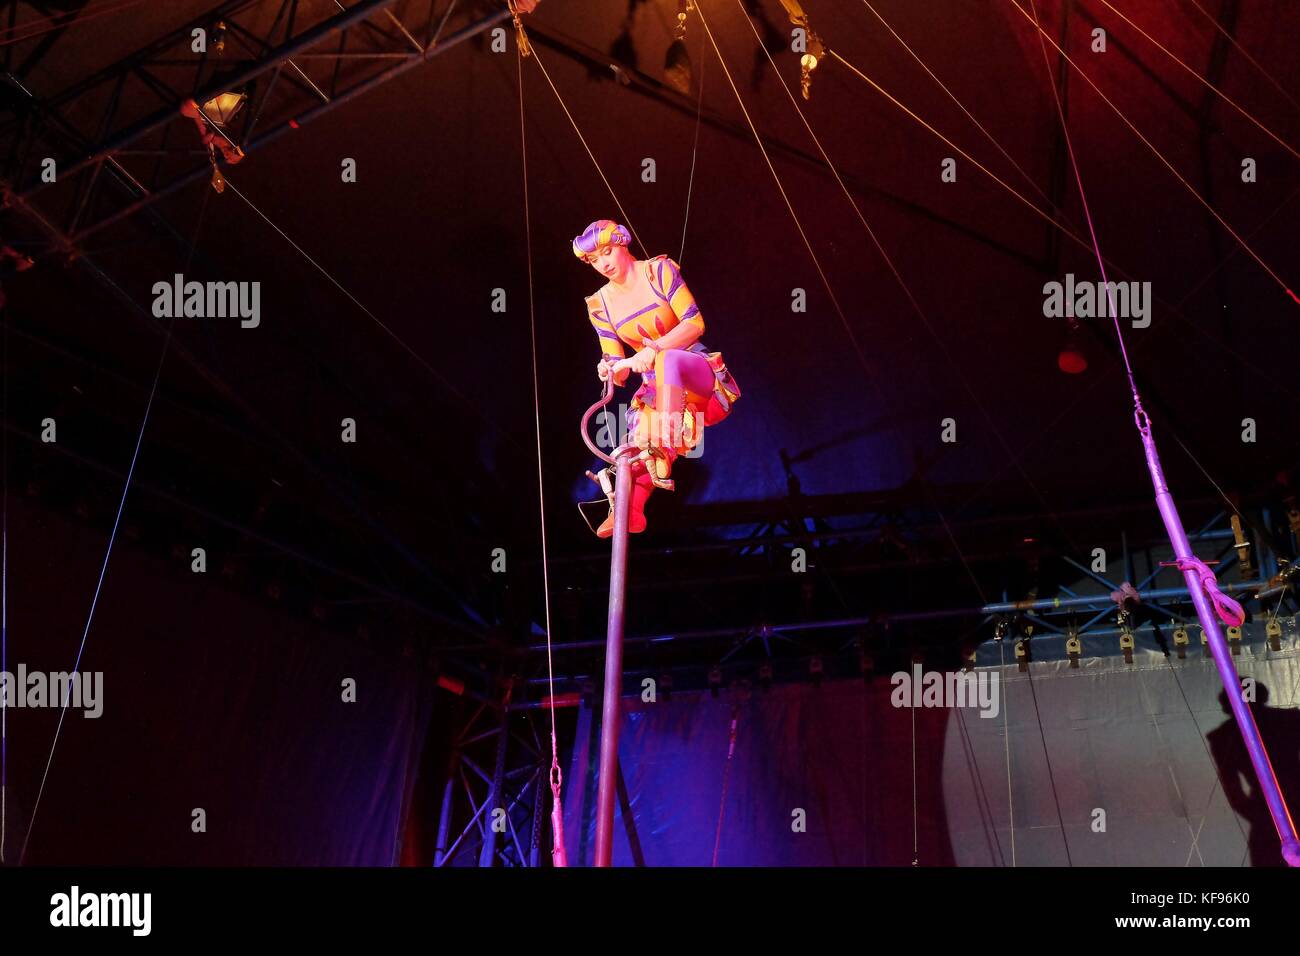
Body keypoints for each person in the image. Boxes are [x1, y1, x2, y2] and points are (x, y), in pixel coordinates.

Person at [574, 219, 740, 538]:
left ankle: (662, 445)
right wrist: (609, 367)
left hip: (695, 372)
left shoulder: (658, 272)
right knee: (634, 451)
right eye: (595, 260)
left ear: (623, 245)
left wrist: (655, 350)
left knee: (666, 362)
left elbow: (695, 323)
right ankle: (627, 510)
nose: (604, 263)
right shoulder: (599, 305)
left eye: (608, 252)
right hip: (659, 392)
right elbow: (616, 361)